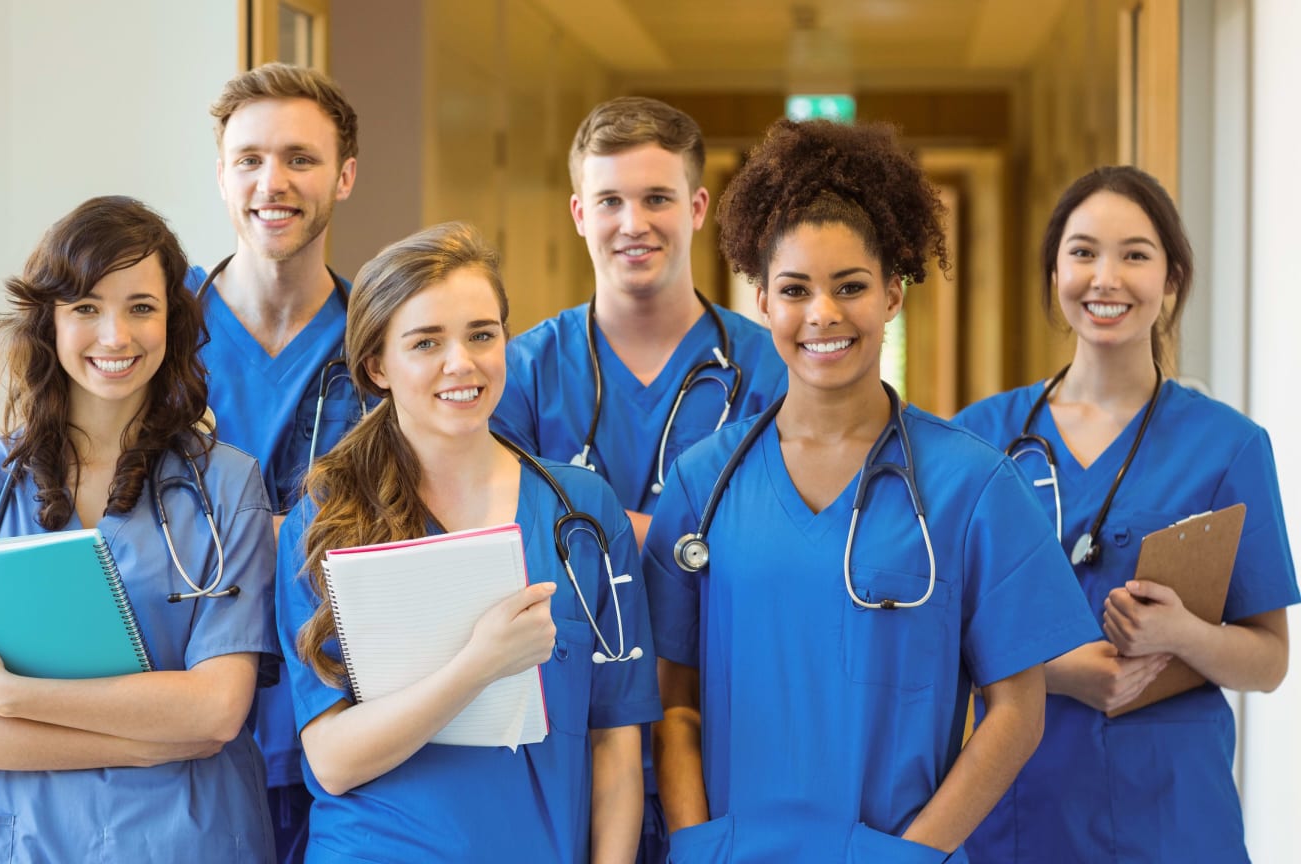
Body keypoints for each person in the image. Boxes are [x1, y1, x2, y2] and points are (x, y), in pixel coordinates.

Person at [643, 119, 1100, 862]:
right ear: (761, 299)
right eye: (795, 289)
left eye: (850, 286)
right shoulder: (704, 482)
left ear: (892, 293)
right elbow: (675, 701)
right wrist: (698, 846)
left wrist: (911, 856)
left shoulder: (972, 486)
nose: (822, 314)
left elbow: (1017, 711)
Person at [0, 197, 279, 862]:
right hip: (21, 840)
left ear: (172, 323)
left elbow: (216, 710)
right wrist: (158, 739)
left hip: (187, 839)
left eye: (141, 307)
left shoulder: (225, 485)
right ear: (50, 320)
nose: (115, 336)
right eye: (86, 307)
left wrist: (10, 696)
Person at [276, 222, 661, 862]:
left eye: (482, 334)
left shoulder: (584, 513)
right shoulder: (325, 523)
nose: (462, 362)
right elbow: (333, 760)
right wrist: (479, 664)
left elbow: (616, 742)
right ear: (378, 366)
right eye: (426, 342)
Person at [952, 165, 1298, 863]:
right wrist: (1062, 671)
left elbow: (1269, 660)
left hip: (1171, 812)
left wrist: (1184, 633)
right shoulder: (979, 439)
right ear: (1054, 271)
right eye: (1082, 252)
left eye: (1134, 254)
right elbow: (935, 628)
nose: (1104, 278)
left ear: (1171, 279)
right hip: (1018, 805)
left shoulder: (1229, 447)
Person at [491, 96, 788, 861]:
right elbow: (502, 549)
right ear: (578, 213)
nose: (634, 223)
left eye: (657, 198)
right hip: (571, 730)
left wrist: (606, 532)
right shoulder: (521, 372)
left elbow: (783, 549)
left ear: (696, 207)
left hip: (730, 717)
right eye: (610, 201)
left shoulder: (767, 369)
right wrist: (685, 541)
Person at [197, 62, 363, 859]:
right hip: (193, 742)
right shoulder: (156, 338)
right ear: (222, 176)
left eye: (301, 158)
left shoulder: (386, 344)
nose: (275, 182)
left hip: (342, 729)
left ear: (345, 175)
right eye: (250, 159)